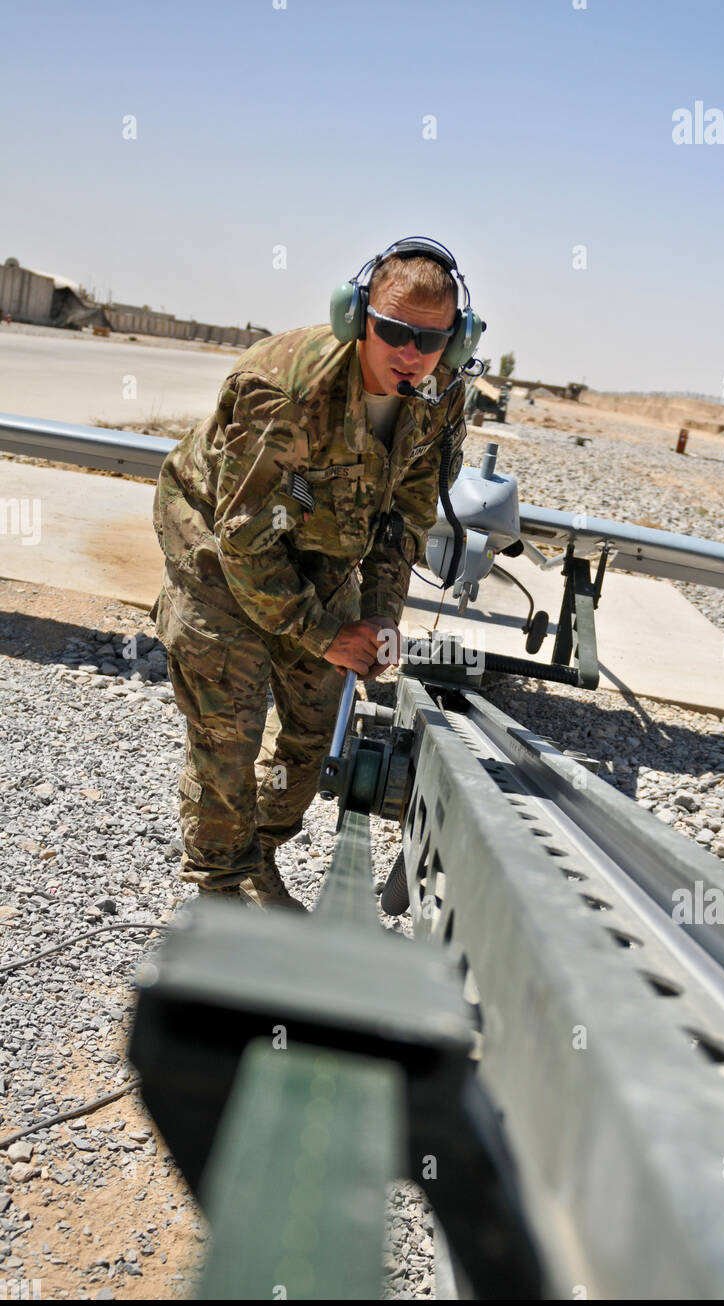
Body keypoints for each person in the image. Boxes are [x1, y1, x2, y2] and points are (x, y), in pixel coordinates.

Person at [149, 237, 479, 910]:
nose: (409, 353)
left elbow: (404, 522)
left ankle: (258, 857)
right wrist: (321, 630)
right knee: (228, 725)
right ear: (356, 317)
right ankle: (218, 888)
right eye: (392, 330)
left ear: (457, 341)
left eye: (429, 339)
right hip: (219, 547)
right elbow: (242, 535)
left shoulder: (440, 399)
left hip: (321, 545)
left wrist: (378, 616)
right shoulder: (283, 387)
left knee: (318, 720)